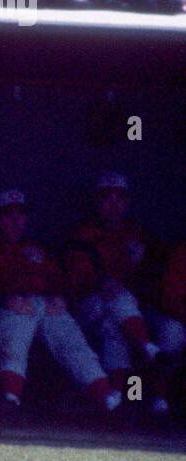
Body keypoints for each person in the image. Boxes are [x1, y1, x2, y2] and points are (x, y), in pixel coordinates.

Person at [0, 189, 121, 416]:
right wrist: (4, 299)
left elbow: (60, 280)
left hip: (42, 306)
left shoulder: (38, 249)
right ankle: (10, 398)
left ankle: (107, 398)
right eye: (8, 214)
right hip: (7, 310)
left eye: (20, 214)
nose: (15, 220)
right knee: (17, 332)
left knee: (68, 335)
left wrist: (61, 298)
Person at [65, 173, 174, 414]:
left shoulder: (139, 233)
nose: (113, 202)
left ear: (127, 201)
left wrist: (130, 287)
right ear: (96, 202)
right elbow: (77, 277)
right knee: (115, 301)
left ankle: (115, 399)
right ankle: (147, 347)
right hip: (89, 306)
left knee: (115, 327)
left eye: (120, 196)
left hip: (126, 312)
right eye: (106, 196)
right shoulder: (83, 234)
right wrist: (101, 282)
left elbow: (155, 276)